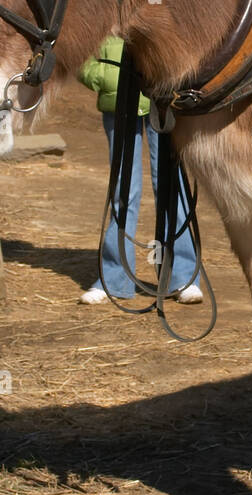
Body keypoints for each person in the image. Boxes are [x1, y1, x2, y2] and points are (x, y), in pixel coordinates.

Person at [79, 37, 202, 304]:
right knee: (123, 192)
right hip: (118, 102)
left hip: (163, 98)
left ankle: (183, 276)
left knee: (172, 185)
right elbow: (78, 47)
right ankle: (114, 278)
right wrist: (105, 78)